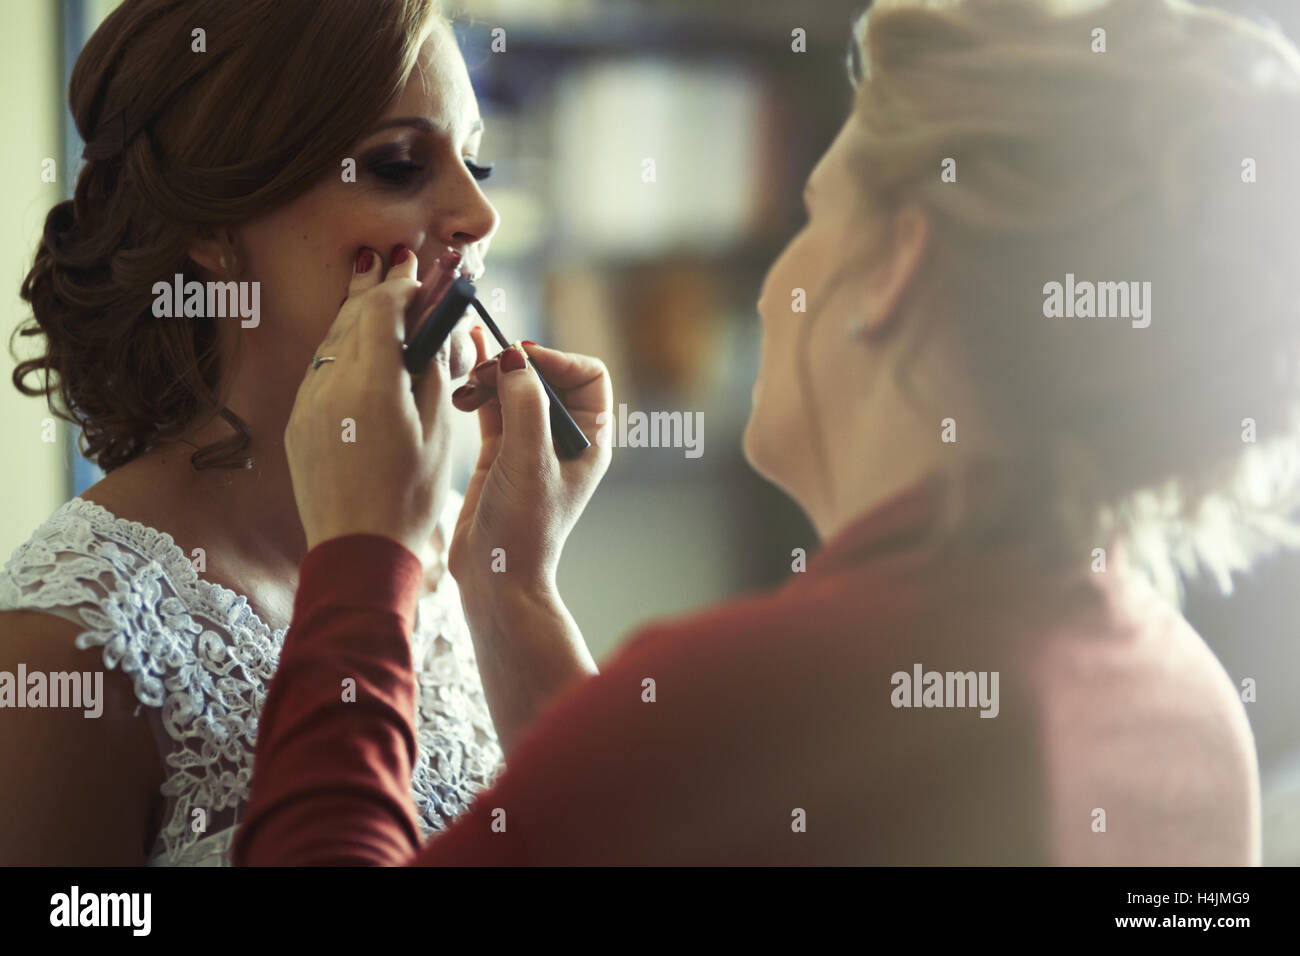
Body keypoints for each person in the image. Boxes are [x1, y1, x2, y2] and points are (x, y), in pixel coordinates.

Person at [233, 0, 1300, 865]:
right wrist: (506, 585)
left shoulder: (789, 693)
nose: (780, 273)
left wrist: (360, 556)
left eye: (816, 214)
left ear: (893, 267)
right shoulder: (1188, 711)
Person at [0, 0, 524, 865]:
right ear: (210, 226)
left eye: (477, 161)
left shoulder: (464, 558)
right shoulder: (69, 648)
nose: (480, 213)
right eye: (398, 165)